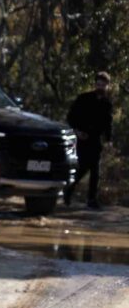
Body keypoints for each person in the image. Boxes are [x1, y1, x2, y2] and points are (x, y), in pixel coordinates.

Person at [66, 71, 114, 209]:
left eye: (103, 85)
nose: (100, 87)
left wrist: (109, 140)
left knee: (95, 169)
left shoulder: (107, 103)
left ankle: (91, 199)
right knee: (82, 167)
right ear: (95, 84)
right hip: (82, 138)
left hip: (96, 139)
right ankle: (69, 190)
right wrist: (77, 131)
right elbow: (71, 116)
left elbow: (108, 122)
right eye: (98, 84)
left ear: (107, 86)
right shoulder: (84, 98)